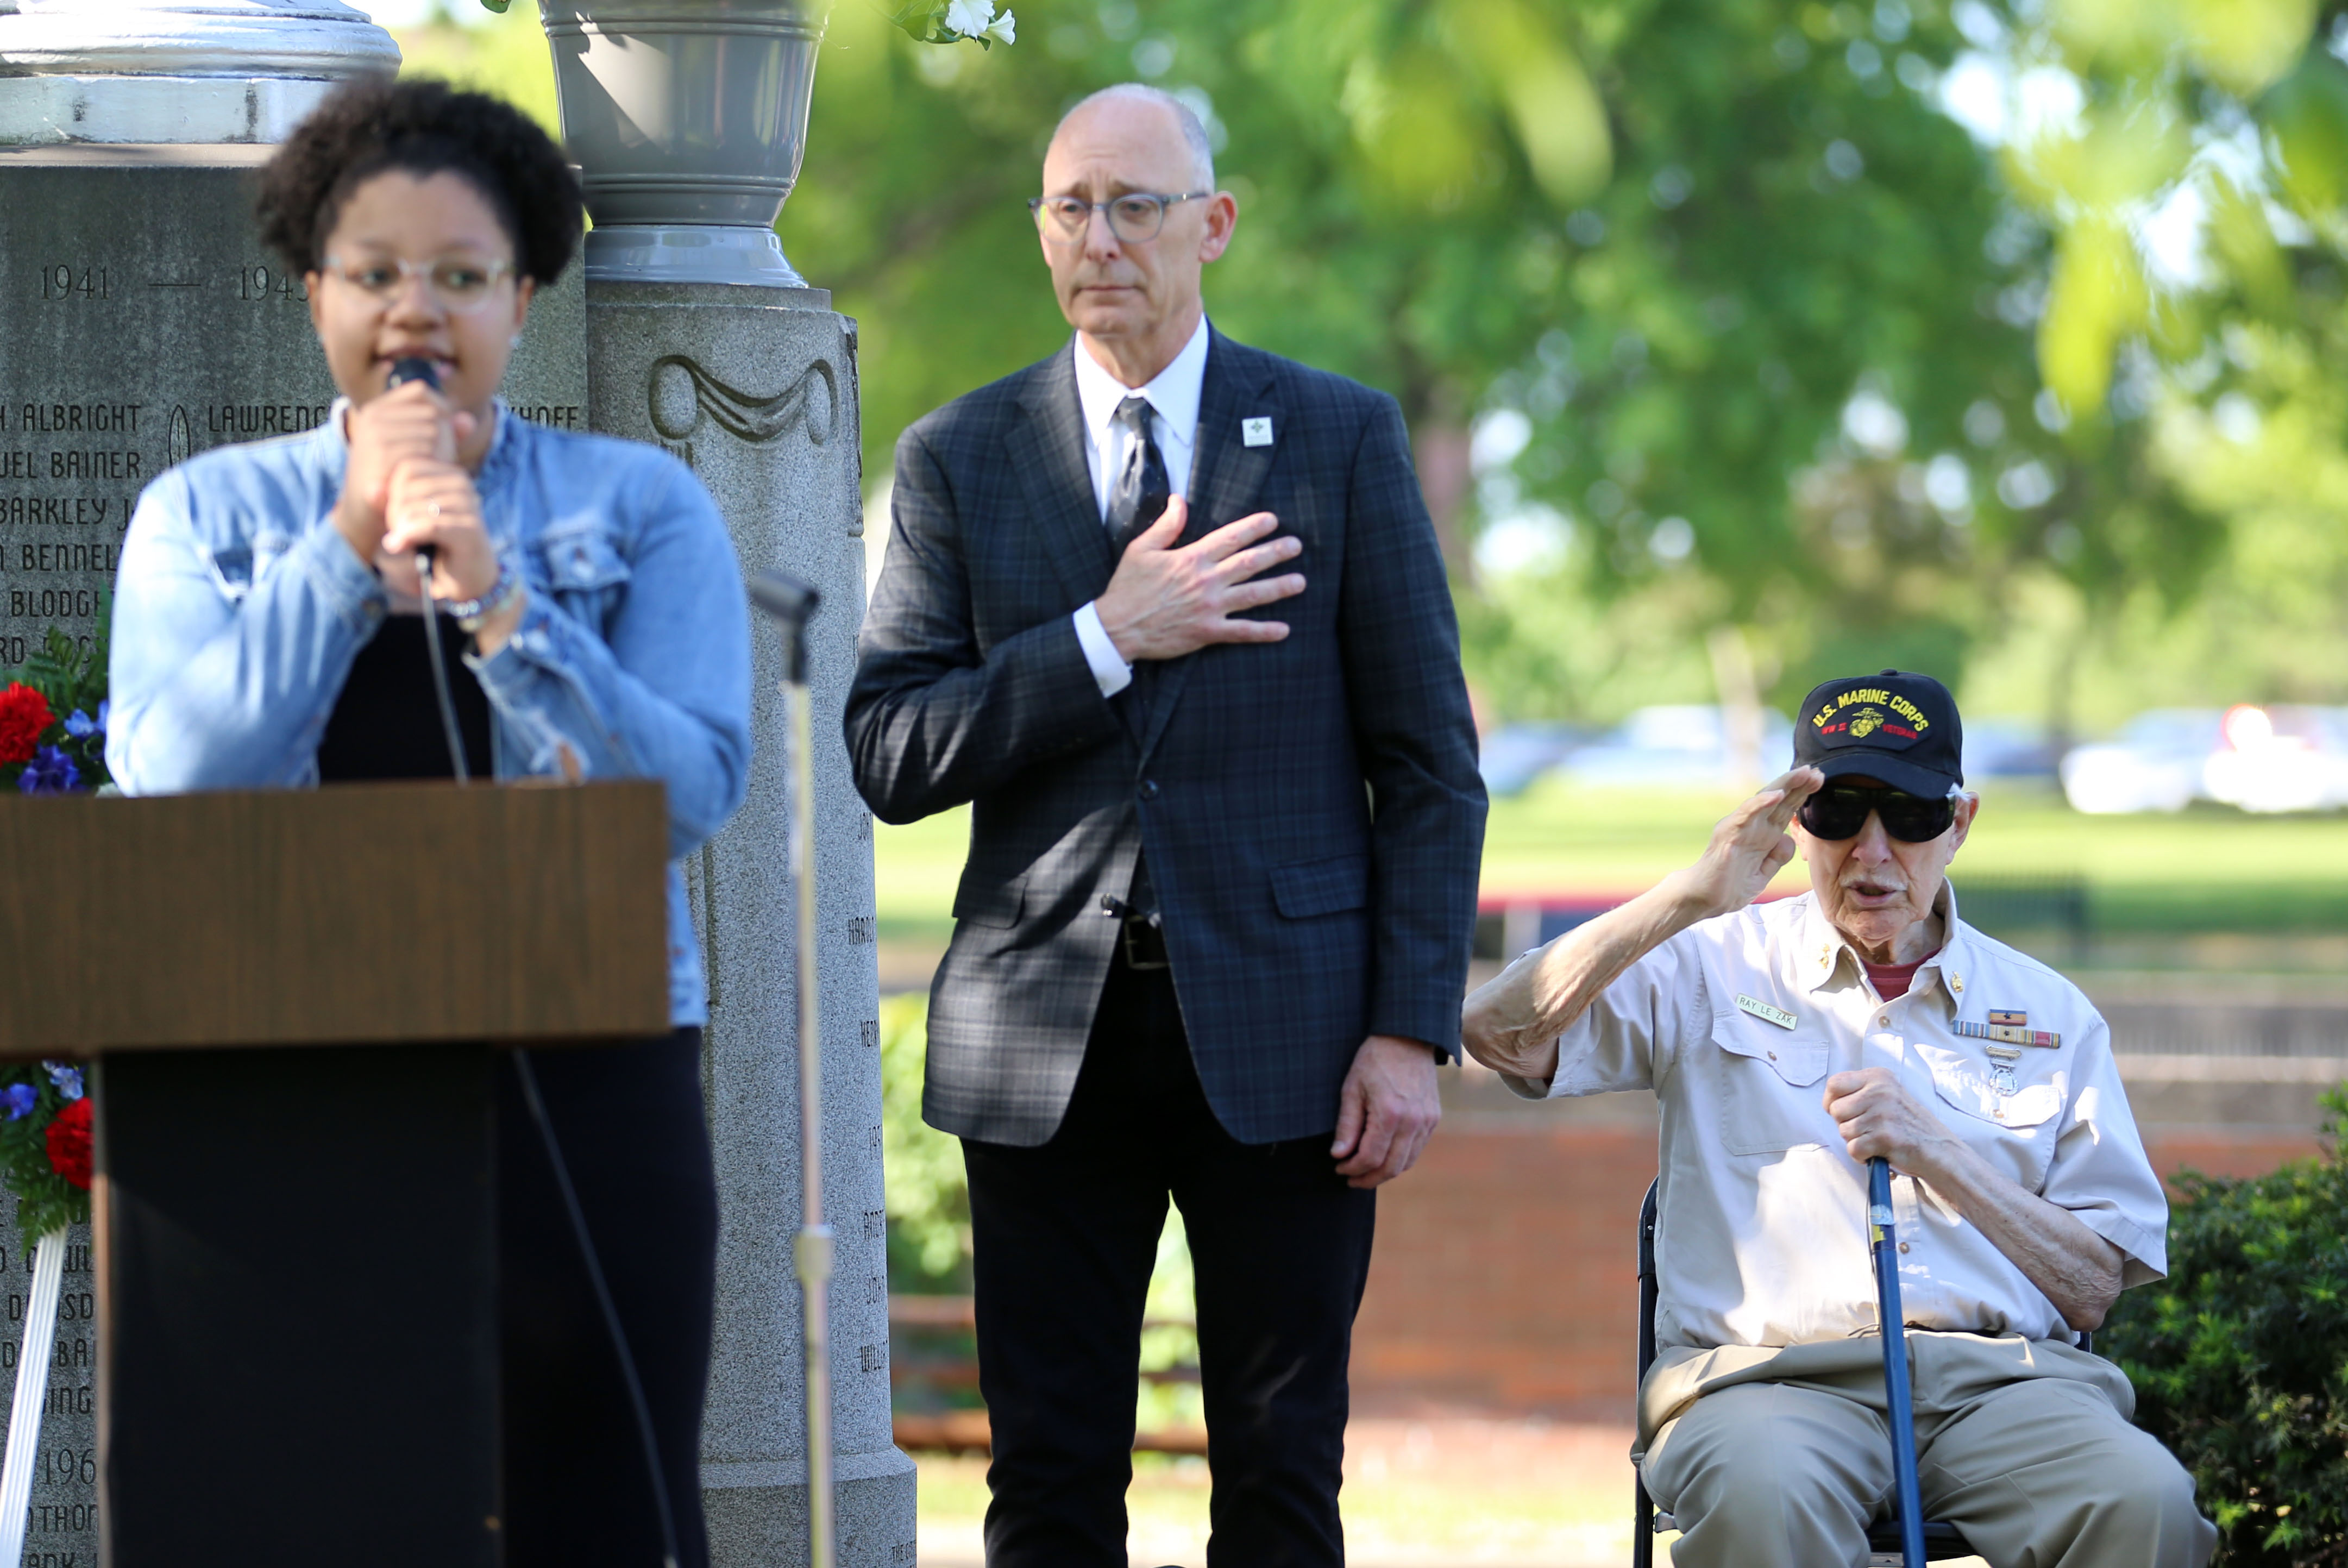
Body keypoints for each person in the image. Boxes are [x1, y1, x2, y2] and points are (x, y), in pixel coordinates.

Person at [105, 79, 751, 1568]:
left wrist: (500, 605)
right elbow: (173, 780)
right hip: (277, 1088)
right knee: (309, 1506)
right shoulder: (206, 518)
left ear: (522, 295)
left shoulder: (640, 507)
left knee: (596, 1505)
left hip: (591, 1076)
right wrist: (343, 548)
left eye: (461, 274)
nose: (418, 308)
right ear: (313, 293)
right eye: (376, 273)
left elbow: (693, 789)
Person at [847, 83, 1486, 1567]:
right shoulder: (959, 456)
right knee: (1051, 1478)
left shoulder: (1333, 437)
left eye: (1137, 204)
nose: (1101, 238)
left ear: (1215, 224)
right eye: (1070, 205)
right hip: (1037, 1048)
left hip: (1292, 1045)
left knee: (1278, 1475)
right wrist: (1102, 634)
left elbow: (1430, 764)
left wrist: (1408, 1026)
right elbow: (890, 747)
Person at [1461, 670, 2214, 1568]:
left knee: (2145, 1505)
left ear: (1960, 823)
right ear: (1793, 823)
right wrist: (1687, 897)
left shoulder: (2049, 1013)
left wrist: (1936, 1150)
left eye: (1908, 814)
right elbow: (1493, 1036)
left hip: (2005, 1388)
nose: (1871, 851)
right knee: (1765, 1503)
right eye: (1838, 812)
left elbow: (2091, 1285)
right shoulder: (1709, 965)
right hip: (1764, 1383)